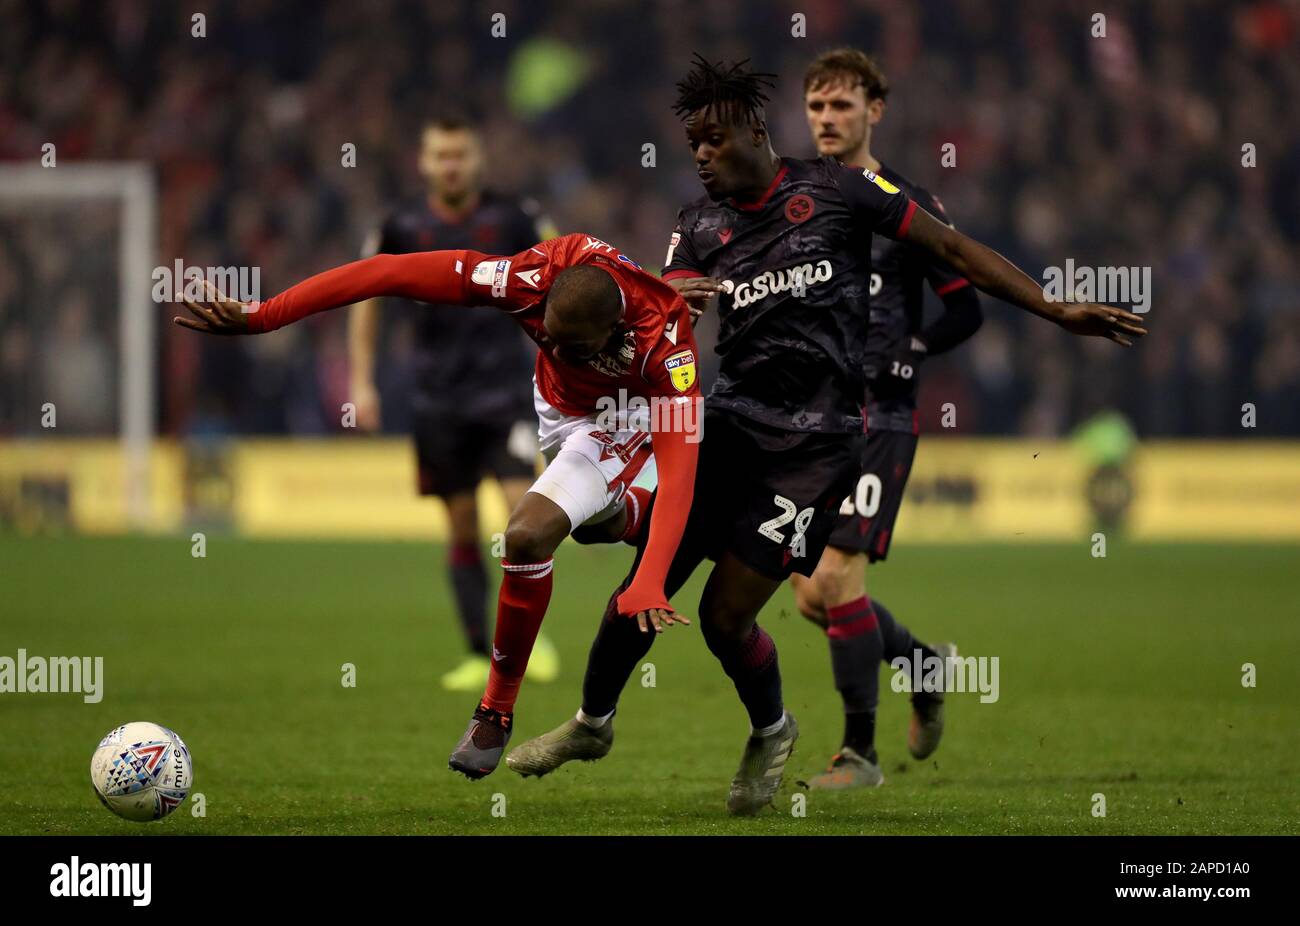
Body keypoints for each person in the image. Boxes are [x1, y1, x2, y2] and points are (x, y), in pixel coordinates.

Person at [506, 55, 1146, 815]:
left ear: (752, 129)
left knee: (725, 618)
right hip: (730, 429)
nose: (702, 157)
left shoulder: (840, 191)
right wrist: (674, 304)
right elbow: (659, 307)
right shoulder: (697, 226)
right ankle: (592, 722)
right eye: (692, 148)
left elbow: (950, 248)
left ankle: (780, 732)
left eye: (713, 140)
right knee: (643, 589)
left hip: (817, 450)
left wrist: (1053, 305)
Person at [174, 231, 704, 780]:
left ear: (612, 331)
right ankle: (636, 514)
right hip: (556, 408)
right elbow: (387, 272)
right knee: (593, 526)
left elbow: (683, 464)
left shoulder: (666, 344)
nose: (555, 348)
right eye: (550, 337)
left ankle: (494, 711)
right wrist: (266, 315)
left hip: (625, 415)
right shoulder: (527, 279)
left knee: (525, 534)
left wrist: (652, 578)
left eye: (574, 347)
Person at [791, 48, 981, 789]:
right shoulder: (795, 200)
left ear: (877, 110)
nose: (828, 119)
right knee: (811, 591)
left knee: (837, 575)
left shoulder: (908, 202)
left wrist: (916, 346)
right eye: (817, 107)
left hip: (880, 412)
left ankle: (860, 755)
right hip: (812, 413)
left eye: (842, 106)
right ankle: (922, 663)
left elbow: (965, 306)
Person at [348, 115, 561, 693]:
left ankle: (526, 639)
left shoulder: (516, 217)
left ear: (478, 159)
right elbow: (364, 298)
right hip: (437, 399)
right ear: (423, 161)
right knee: (462, 525)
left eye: (460, 155)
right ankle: (477, 651)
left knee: (526, 516)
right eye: (440, 155)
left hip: (505, 394)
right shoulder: (399, 224)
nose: (450, 165)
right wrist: (361, 380)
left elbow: (563, 282)